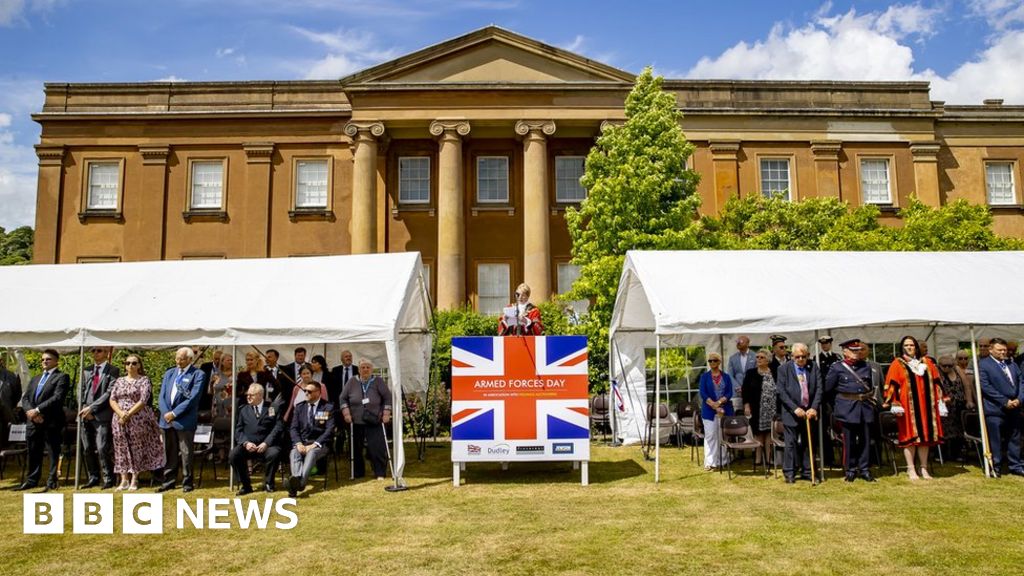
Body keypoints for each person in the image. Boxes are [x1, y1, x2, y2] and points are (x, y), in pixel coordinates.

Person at [884, 336, 947, 481]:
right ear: (902, 347)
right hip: (908, 407)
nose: (909, 347)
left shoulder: (928, 363)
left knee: (925, 437)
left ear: (916, 347)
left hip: (927, 407)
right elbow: (892, 385)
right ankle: (910, 468)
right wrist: (895, 403)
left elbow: (937, 383)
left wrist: (940, 401)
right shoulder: (897, 364)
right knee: (910, 437)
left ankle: (923, 468)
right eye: (906, 345)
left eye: (912, 345)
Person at [108, 355, 164, 491]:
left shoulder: (144, 380)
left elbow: (143, 400)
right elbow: (112, 399)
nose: (130, 366)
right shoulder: (119, 381)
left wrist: (128, 414)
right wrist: (121, 414)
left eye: (134, 363)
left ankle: (134, 478)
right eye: (127, 363)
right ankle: (124, 479)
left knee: (136, 448)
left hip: (138, 418)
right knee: (120, 448)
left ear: (139, 365)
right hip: (119, 419)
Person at [826, 338, 878, 482]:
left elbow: (870, 386)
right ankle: (850, 469)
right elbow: (828, 389)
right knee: (848, 441)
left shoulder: (866, 366)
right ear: (844, 352)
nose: (857, 353)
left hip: (865, 407)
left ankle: (865, 469)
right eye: (853, 350)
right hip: (847, 408)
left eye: (858, 350)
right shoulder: (837, 367)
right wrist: (838, 405)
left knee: (865, 440)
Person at [18, 349, 69, 491]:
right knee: (33, 450)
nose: (44, 362)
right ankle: (32, 480)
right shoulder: (36, 378)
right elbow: (26, 397)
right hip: (33, 421)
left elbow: (57, 398)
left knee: (53, 451)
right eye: (43, 359)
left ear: (56, 361)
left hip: (51, 421)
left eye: (48, 359)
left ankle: (52, 480)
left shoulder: (62, 377)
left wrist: (38, 410)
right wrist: (31, 412)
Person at [157, 346, 206, 493]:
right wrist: (166, 413)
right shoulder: (169, 373)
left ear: (190, 359)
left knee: (186, 452)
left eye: (182, 359)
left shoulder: (198, 374)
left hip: (183, 419)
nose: (178, 361)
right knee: (169, 451)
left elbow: (193, 398)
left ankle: (187, 482)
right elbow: (162, 396)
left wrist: (175, 413)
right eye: (177, 358)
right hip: (166, 419)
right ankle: (169, 481)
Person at [977, 337, 1024, 477]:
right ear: (991, 350)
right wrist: (1004, 401)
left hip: (1015, 407)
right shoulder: (984, 365)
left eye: (1004, 350)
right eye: (1000, 350)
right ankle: (995, 466)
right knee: (995, 439)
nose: (1003, 352)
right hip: (995, 409)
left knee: (1014, 437)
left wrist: (1019, 399)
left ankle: (1016, 465)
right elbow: (985, 387)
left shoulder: (1012, 363)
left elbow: (1021, 382)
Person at [340, 359, 392, 480]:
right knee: (356, 449)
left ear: (371, 369)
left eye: (368, 367)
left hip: (374, 420)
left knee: (376, 448)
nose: (365, 369)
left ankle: (379, 472)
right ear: (358, 369)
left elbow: (387, 398)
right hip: (356, 421)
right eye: (363, 367)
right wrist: (346, 413)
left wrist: (386, 413)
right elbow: (342, 398)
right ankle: (358, 473)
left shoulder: (378, 381)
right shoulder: (352, 381)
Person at [777, 343, 821, 483]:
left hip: (809, 411)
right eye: (797, 357)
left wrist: (814, 407)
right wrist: (795, 408)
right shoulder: (784, 369)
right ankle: (789, 472)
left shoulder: (813, 366)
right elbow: (781, 391)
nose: (801, 359)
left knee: (809, 443)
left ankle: (808, 471)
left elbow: (819, 388)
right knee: (791, 444)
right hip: (792, 412)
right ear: (792, 356)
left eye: (804, 356)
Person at [288, 367, 335, 497]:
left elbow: (329, 430)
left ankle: (299, 484)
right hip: (302, 442)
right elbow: (293, 428)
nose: (306, 394)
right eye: (305, 391)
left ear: (318, 392)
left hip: (320, 444)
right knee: (294, 452)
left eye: (309, 391)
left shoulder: (327, 407)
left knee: (312, 453)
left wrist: (314, 444)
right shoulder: (300, 407)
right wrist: (298, 443)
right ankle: (297, 480)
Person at [79, 346, 121, 489]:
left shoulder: (113, 371)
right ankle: (93, 477)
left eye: (99, 350)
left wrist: (92, 408)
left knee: (102, 447)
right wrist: (85, 407)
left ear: (106, 353)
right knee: (87, 448)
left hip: (101, 415)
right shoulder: (86, 370)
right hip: (85, 415)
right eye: (93, 351)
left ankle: (108, 477)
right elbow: (81, 390)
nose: (95, 353)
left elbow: (109, 393)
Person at [231, 383, 283, 495]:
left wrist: (266, 443)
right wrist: (245, 443)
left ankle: (269, 483)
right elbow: (238, 429)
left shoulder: (272, 407)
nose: (248, 397)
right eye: (247, 395)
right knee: (234, 455)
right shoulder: (243, 409)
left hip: (267, 445)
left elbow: (278, 427)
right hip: (249, 445)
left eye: (251, 395)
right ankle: (246, 485)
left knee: (274, 453)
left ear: (260, 395)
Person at [698, 352, 734, 471]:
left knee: (722, 435)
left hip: (724, 409)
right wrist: (713, 405)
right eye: (710, 361)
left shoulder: (726, 377)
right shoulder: (704, 377)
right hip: (709, 411)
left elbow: (729, 392)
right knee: (710, 435)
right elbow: (703, 393)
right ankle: (710, 462)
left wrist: (719, 402)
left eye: (714, 360)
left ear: (719, 362)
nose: (712, 363)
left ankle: (723, 460)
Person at [742, 349, 776, 466]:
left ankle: (769, 458)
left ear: (768, 360)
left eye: (761, 357)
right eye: (757, 357)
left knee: (769, 433)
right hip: (756, 408)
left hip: (771, 409)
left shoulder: (774, 372)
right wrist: (746, 405)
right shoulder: (751, 373)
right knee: (758, 433)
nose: (759, 359)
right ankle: (758, 458)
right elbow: (745, 391)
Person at [937, 354, 971, 460]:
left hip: (959, 404)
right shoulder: (936, 371)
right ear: (940, 365)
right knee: (944, 431)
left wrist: (969, 400)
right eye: (944, 366)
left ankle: (957, 454)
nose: (947, 368)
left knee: (959, 431)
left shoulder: (957, 369)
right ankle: (942, 455)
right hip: (944, 407)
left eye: (949, 365)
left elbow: (967, 386)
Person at [0, 353, 23, 451]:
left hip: (3, 419)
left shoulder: (11, 376)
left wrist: (6, 408)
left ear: (1, 361)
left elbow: (17, 395)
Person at [727, 336, 756, 411]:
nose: (738, 343)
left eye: (741, 341)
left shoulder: (755, 356)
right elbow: (730, 375)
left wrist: (746, 388)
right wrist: (738, 387)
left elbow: (756, 375)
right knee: (737, 416)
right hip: (737, 392)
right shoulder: (732, 358)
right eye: (737, 342)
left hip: (751, 392)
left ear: (747, 343)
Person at [209, 353, 234, 418]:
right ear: (222, 362)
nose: (230, 362)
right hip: (217, 405)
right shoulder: (215, 375)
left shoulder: (236, 375)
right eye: (228, 360)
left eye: (232, 360)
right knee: (218, 425)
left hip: (231, 406)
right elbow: (210, 391)